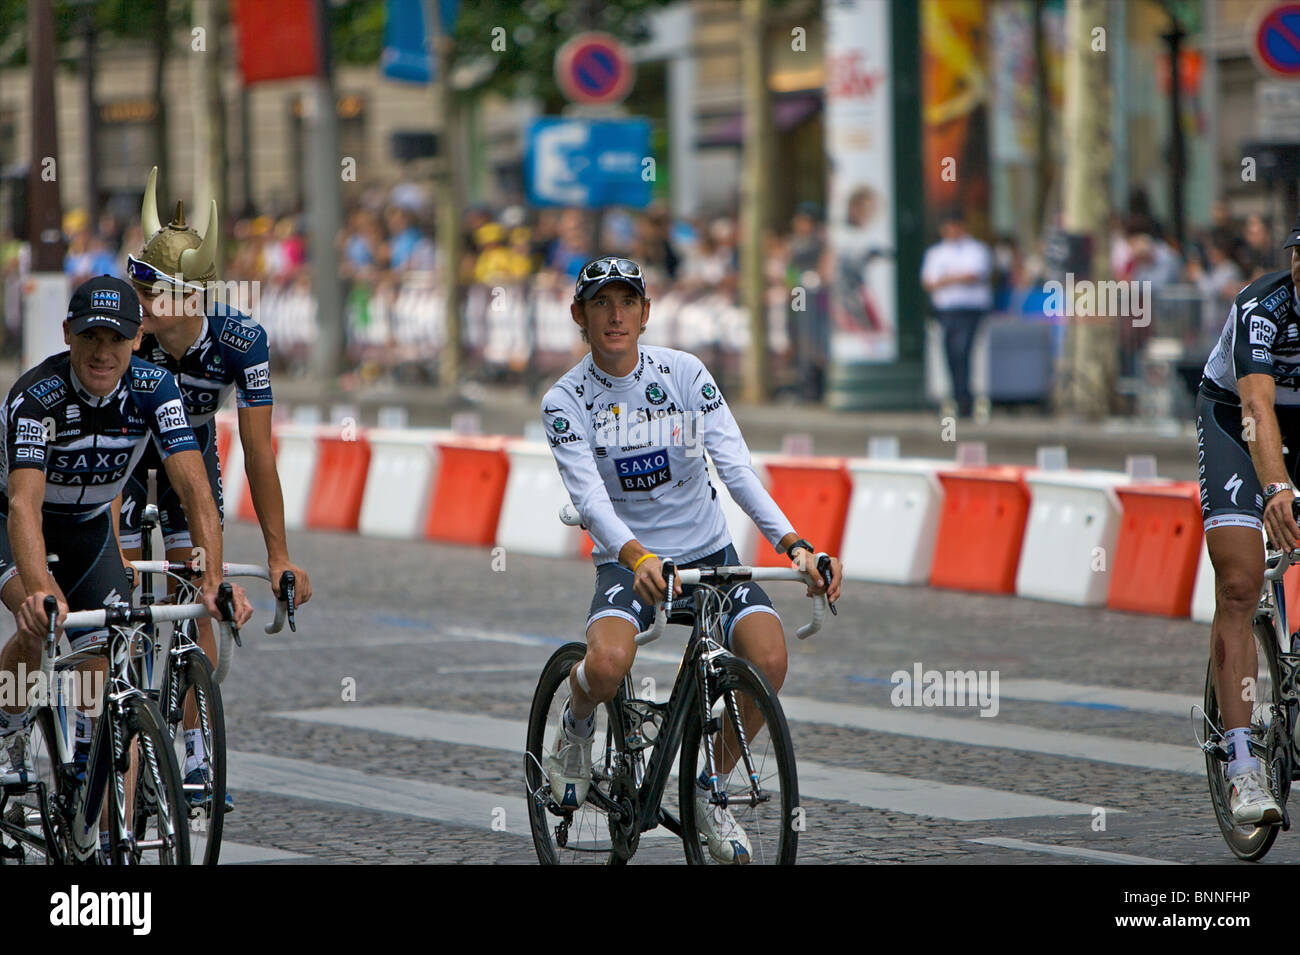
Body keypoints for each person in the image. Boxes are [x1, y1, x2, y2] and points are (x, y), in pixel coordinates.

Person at [539, 255, 844, 863]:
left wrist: (796, 545)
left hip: (709, 556)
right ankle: (574, 726)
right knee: (606, 664)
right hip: (631, 562)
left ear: (648, 313)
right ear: (580, 315)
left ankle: (709, 790)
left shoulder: (686, 374)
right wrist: (636, 554)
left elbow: (736, 471)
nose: (616, 315)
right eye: (601, 303)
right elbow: (590, 501)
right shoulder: (564, 400)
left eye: (627, 302)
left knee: (770, 657)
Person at [0, 275, 254, 857]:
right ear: (67, 335)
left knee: (100, 644)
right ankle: (8, 722)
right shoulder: (37, 397)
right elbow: (24, 505)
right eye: (89, 336)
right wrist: (40, 590)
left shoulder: (153, 388)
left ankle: (88, 777)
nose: (101, 351)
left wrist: (212, 581)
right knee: (38, 624)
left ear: (137, 341)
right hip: (15, 520)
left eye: (115, 338)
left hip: (89, 527)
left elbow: (195, 491)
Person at [119, 168, 311, 809]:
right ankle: (115, 728)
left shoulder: (241, 341)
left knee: (196, 582)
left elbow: (258, 454)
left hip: (190, 460)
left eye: (150, 291)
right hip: (120, 460)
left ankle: (195, 749)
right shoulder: (125, 339)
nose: (136, 302)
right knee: (119, 594)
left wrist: (279, 554)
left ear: (188, 299)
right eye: (136, 285)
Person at [1197, 210, 1300, 826]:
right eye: (1297, 260)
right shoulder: (1264, 306)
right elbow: (1257, 404)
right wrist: (1277, 486)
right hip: (1237, 417)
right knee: (1239, 582)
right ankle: (1241, 767)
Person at [921, 209, 992, 420]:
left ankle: (966, 397)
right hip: (946, 310)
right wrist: (955, 278)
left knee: (964, 350)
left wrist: (945, 279)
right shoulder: (936, 253)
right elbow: (929, 282)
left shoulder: (976, 249)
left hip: (970, 309)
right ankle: (958, 395)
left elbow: (974, 275)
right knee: (950, 352)